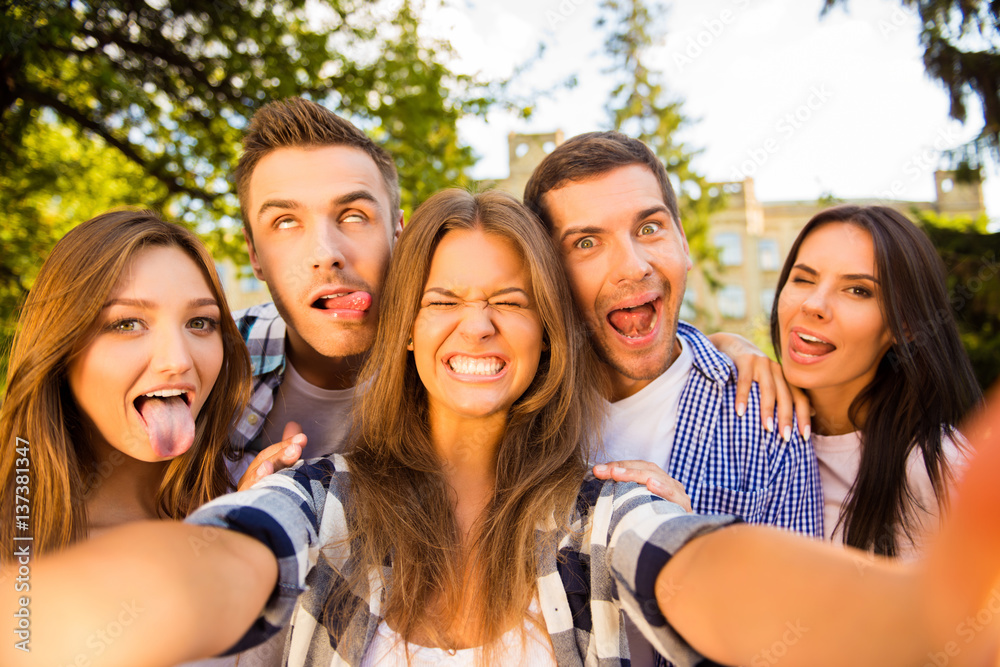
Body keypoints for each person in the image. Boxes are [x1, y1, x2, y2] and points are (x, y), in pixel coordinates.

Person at [6, 189, 999, 667]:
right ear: (404, 332)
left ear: (547, 335)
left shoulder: (607, 514)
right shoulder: (318, 498)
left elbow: (714, 571)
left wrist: (932, 612)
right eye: (443, 300)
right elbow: (213, 565)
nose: (476, 326)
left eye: (510, 301)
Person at [0, 210, 251, 558]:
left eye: (199, 322)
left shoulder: (248, 504)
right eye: (127, 324)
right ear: (61, 348)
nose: (177, 360)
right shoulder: (14, 549)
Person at [768, 205, 982, 558]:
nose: (813, 304)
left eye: (857, 290)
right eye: (803, 279)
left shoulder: (938, 469)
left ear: (905, 327)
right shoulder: (746, 421)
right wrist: (729, 346)